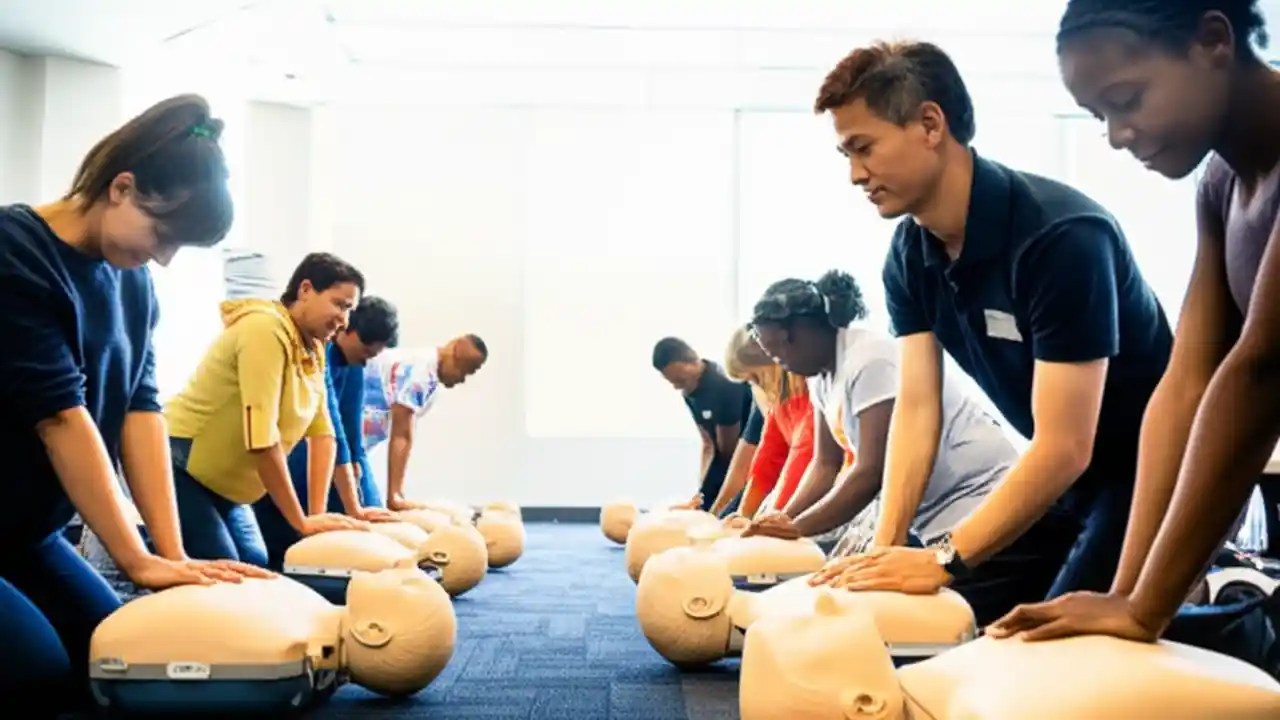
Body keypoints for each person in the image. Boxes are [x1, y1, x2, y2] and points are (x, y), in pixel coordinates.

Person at [809, 39, 1175, 618]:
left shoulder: (1062, 238)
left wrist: (943, 559)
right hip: (1064, 482)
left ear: (930, 123)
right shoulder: (908, 254)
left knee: (1051, 645)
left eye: (864, 148)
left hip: (1153, 476)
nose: (856, 174)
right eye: (845, 155)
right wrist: (888, 551)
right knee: (948, 613)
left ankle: (1232, 618)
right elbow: (919, 410)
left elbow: (1067, 445)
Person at [989, 0, 1280, 651]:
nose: (1119, 134)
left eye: (1128, 99)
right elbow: (1187, 381)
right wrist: (1126, 594)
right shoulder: (1222, 184)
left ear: (1213, 41)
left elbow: (1260, 372)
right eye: (1100, 117)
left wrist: (1148, 607)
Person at [0, 94, 268, 711]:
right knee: (34, 673)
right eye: (162, 234)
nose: (164, 258)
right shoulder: (16, 252)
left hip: (26, 533)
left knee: (115, 653)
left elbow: (142, 414)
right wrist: (136, 562)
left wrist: (171, 556)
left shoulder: (133, 281)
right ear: (122, 187)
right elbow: (61, 417)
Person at [745, 272, 1043, 626]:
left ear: (808, 329)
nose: (780, 361)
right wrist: (784, 519)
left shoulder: (869, 359)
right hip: (935, 519)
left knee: (940, 626)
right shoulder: (821, 377)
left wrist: (799, 528)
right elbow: (824, 464)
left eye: (782, 346)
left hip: (982, 508)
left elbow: (872, 471)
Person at [165, 252, 370, 566]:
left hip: (228, 483)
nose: (344, 320)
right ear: (305, 289)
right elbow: (262, 438)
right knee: (227, 571)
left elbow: (323, 432)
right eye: (340, 304)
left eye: (349, 310)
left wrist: (317, 517)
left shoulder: (313, 346)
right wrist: (300, 521)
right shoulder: (264, 329)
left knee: (254, 561)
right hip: (182, 464)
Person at [255, 295, 401, 569]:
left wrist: (363, 498)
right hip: (295, 450)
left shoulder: (355, 366)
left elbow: (352, 435)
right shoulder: (321, 355)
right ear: (347, 331)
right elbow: (331, 433)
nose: (368, 355)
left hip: (332, 449)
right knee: (340, 498)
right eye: (366, 348)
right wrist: (328, 513)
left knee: (371, 509)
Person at [360, 335, 490, 510]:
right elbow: (402, 435)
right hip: (342, 447)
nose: (462, 379)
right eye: (463, 370)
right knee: (367, 510)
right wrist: (395, 496)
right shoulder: (421, 374)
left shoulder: (425, 371)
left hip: (352, 450)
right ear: (454, 351)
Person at [720, 325, 817, 519]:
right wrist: (742, 515)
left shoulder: (813, 401)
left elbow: (801, 461)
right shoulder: (780, 407)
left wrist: (774, 518)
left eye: (755, 378)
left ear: (776, 364)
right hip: (798, 500)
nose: (756, 388)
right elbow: (765, 464)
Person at [652, 337, 754, 514]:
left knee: (722, 514)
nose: (677, 387)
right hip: (726, 458)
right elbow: (708, 444)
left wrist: (718, 503)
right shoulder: (688, 391)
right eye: (673, 382)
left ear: (693, 362)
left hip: (749, 456)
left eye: (680, 380)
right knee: (701, 507)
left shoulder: (724, 385)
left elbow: (730, 452)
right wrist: (703, 489)